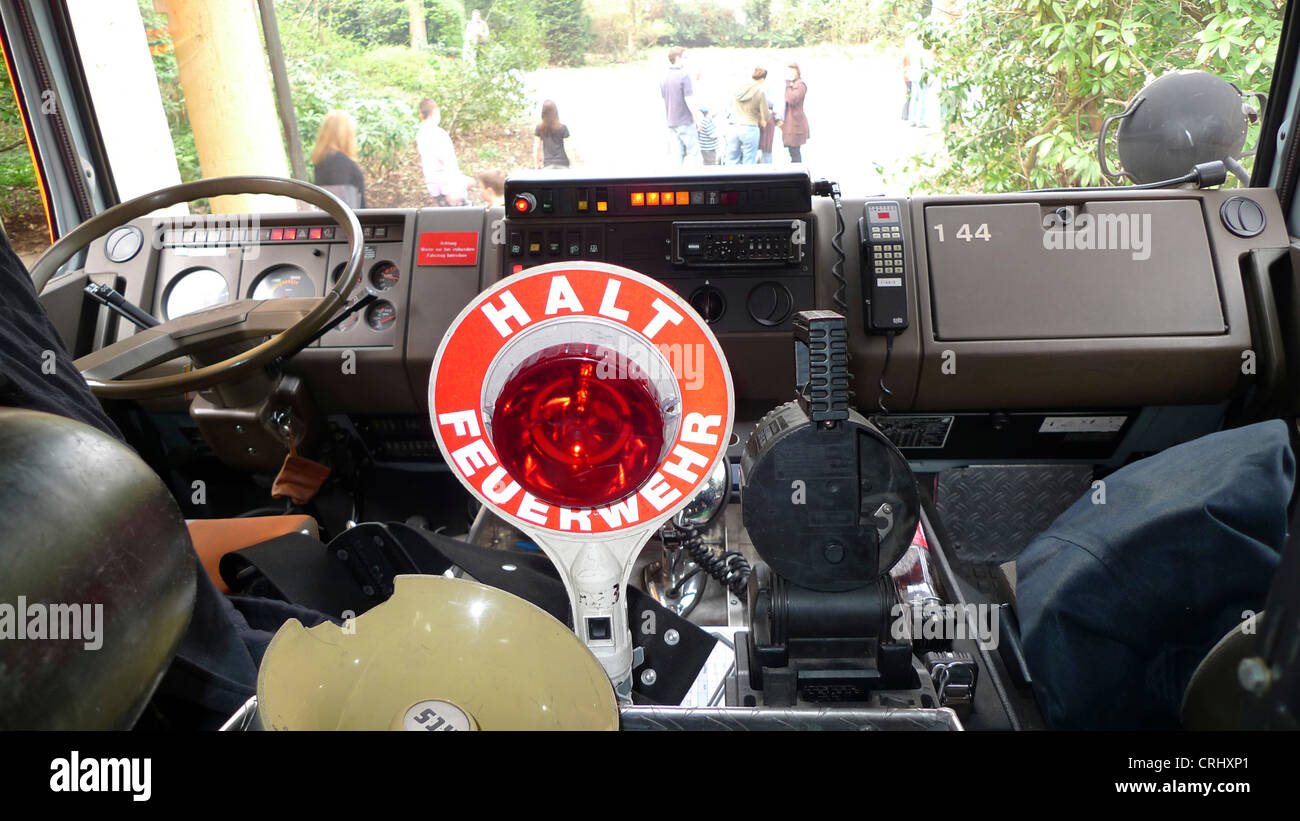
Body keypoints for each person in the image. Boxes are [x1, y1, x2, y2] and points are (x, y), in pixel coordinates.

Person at [416, 98, 468, 206]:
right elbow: (447, 161)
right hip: (448, 187)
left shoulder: (421, 134)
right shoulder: (438, 134)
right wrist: (456, 187)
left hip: (434, 186)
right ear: (436, 112)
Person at [310, 110, 366, 209]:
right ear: (345, 133)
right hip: (348, 221)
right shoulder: (338, 161)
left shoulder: (322, 159)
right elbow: (342, 202)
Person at [661, 46, 699, 165]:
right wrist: (698, 119)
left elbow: (665, 97)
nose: (686, 60)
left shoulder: (664, 77)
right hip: (685, 121)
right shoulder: (684, 76)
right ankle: (694, 182)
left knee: (676, 157)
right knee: (693, 154)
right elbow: (689, 99)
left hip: (671, 122)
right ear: (678, 58)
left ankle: (676, 181)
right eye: (685, 57)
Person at [725, 67, 769, 165]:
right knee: (749, 162)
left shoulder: (738, 87)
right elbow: (765, 114)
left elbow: (728, 106)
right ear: (762, 79)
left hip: (733, 126)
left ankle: (729, 179)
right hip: (750, 127)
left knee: (731, 159)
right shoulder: (760, 91)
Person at [781, 63, 809, 163]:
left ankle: (797, 173)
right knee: (792, 151)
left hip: (796, 124)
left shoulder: (800, 85)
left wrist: (788, 85)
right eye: (788, 72)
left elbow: (792, 99)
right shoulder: (790, 85)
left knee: (795, 152)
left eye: (793, 71)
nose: (790, 74)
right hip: (789, 123)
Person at [533, 100, 571, 169]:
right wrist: (573, 164)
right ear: (556, 112)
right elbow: (568, 148)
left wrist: (537, 163)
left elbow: (537, 147)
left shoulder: (540, 128)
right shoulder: (563, 127)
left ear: (543, 113)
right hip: (563, 164)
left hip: (548, 165)